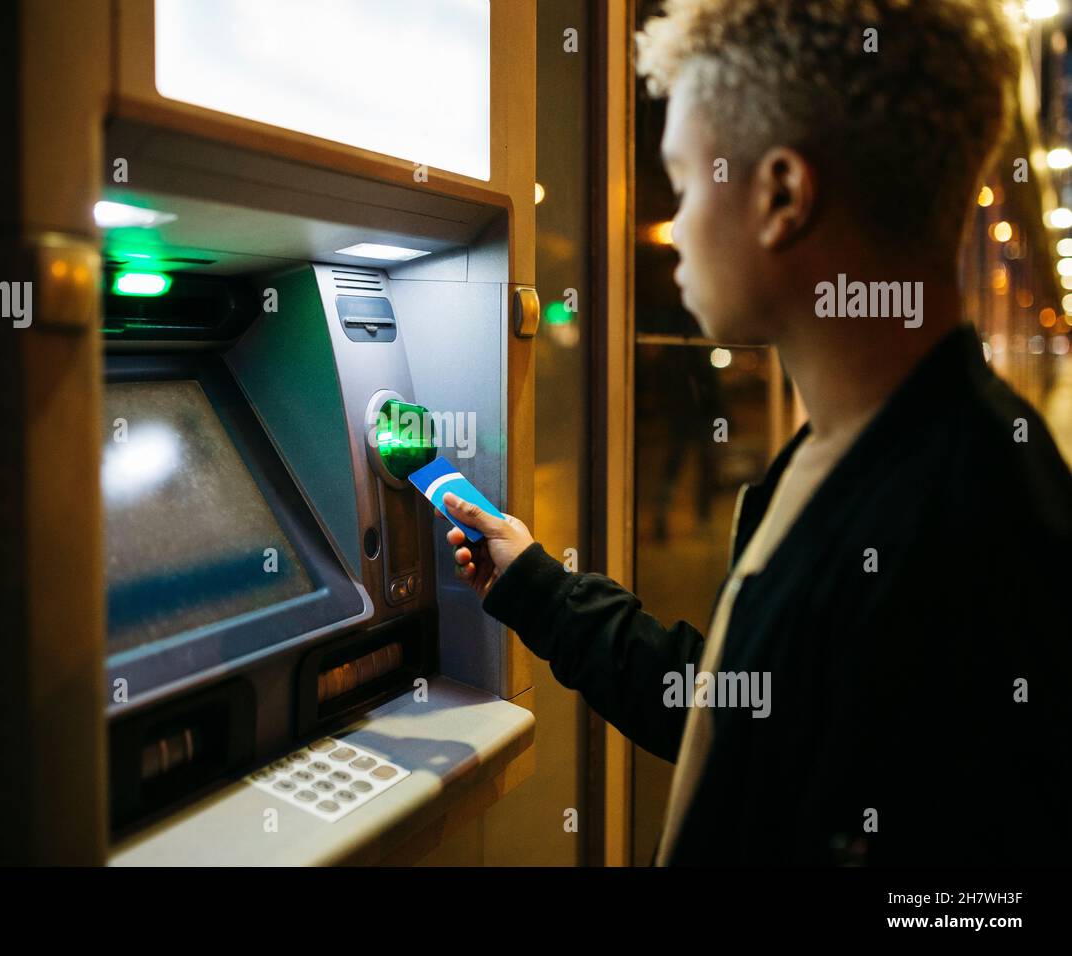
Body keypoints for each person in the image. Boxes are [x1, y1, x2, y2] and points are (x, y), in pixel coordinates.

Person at [440, 0, 1072, 865]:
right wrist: (543, 591)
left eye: (690, 180)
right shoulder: (861, 454)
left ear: (781, 195)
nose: (675, 234)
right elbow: (745, 703)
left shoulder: (973, 534)